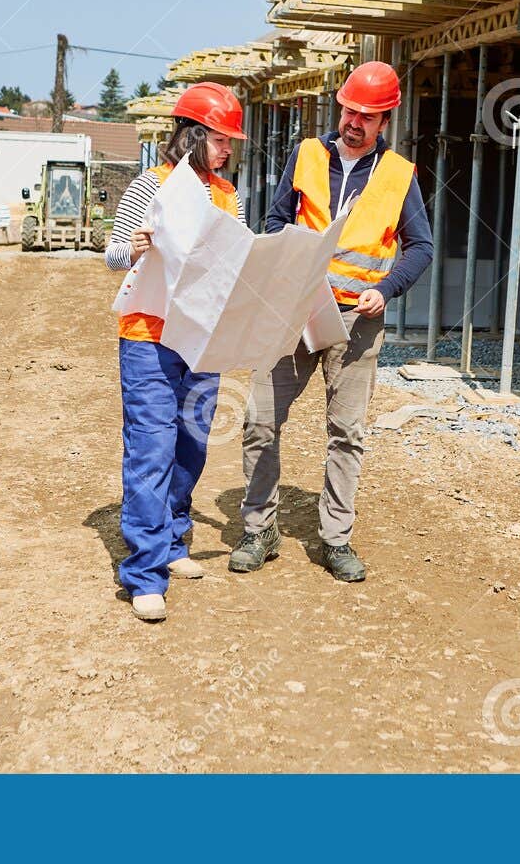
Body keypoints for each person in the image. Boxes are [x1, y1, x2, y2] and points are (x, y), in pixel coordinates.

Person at [231, 61, 433, 582]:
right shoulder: (305, 156)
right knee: (259, 417)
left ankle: (335, 539)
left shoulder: (398, 175)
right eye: (349, 110)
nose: (354, 121)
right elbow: (275, 220)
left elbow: (421, 247)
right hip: (295, 309)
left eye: (367, 115)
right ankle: (259, 530)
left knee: (346, 431)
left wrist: (384, 290)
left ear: (385, 119)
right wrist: (289, 259)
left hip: (357, 321)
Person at [105, 82, 247, 621]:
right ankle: (145, 571)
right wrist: (133, 247)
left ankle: (173, 540)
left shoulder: (227, 195)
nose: (227, 147)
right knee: (151, 448)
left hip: (203, 340)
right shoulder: (150, 186)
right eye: (219, 138)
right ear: (191, 135)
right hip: (149, 338)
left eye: (230, 139)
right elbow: (113, 258)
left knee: (191, 446)